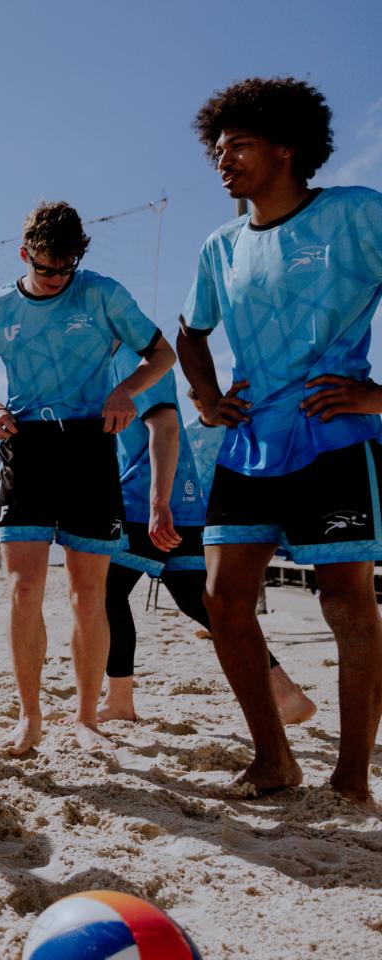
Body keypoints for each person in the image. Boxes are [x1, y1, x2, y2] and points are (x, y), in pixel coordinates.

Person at [175, 77, 382, 804]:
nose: (224, 158)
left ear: (287, 147)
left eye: (242, 145)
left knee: (346, 601)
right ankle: (274, 760)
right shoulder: (219, 246)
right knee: (222, 599)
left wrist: (378, 396)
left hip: (333, 433)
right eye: (219, 147)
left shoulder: (357, 214)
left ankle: (352, 778)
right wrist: (206, 398)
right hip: (249, 441)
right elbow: (189, 334)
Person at [0, 200, 176, 756]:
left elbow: (161, 352)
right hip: (27, 446)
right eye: (44, 267)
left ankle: (86, 718)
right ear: (24, 254)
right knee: (23, 587)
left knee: (89, 593)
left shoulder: (102, 293)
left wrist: (125, 389)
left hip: (89, 444)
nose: (56, 277)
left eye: (65, 268)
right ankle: (30, 717)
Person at [100, 349, 315, 725]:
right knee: (201, 602)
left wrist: (158, 502)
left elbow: (164, 428)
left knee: (105, 593)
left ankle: (119, 699)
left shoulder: (134, 360)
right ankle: (286, 693)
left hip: (150, 503)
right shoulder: (117, 362)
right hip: (178, 504)